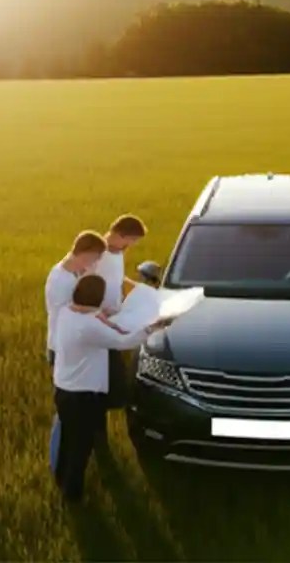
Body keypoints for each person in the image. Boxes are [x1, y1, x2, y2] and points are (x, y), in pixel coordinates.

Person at [52, 274, 173, 503]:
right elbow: (123, 342)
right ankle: (73, 495)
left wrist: (102, 315)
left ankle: (62, 481)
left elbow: (90, 317)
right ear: (97, 299)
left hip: (64, 389)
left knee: (68, 441)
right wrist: (152, 329)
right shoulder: (89, 327)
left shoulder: (67, 312)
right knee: (82, 446)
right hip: (83, 396)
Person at [93, 214, 148, 422]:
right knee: (107, 381)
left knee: (113, 382)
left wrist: (137, 288)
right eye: (131, 240)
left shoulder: (116, 253)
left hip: (114, 320)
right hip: (100, 323)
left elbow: (115, 278)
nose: (131, 246)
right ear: (120, 234)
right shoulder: (97, 254)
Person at [44, 231, 107, 366]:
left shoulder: (76, 270)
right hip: (61, 347)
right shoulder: (59, 279)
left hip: (75, 344)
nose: (96, 261)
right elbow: (66, 313)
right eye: (95, 257)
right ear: (85, 254)